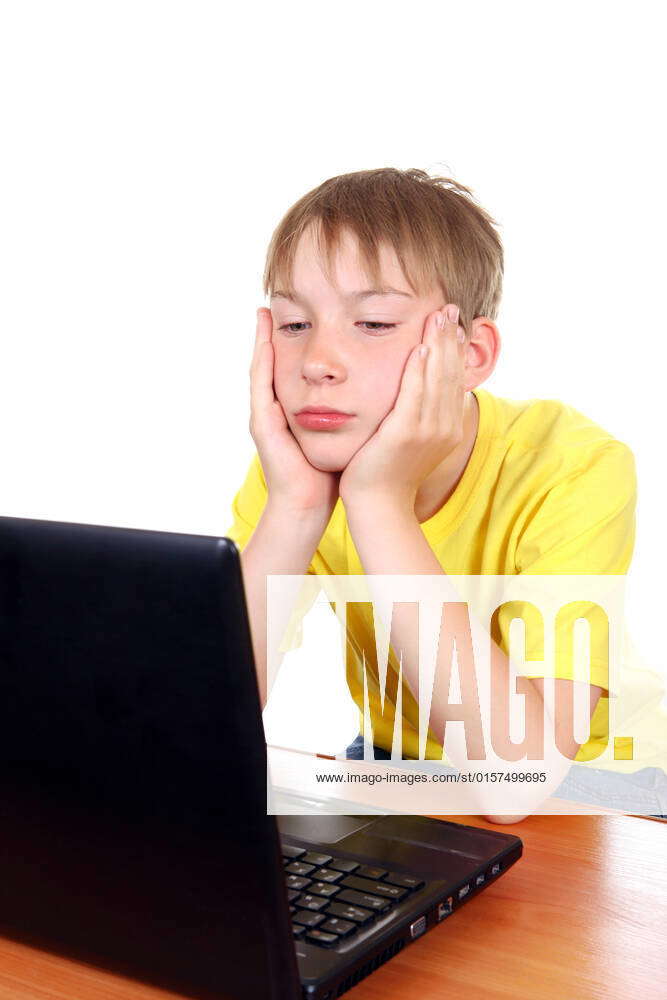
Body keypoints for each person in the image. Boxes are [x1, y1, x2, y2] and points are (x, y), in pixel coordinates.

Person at [225, 167, 667, 822]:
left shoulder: (572, 465)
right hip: (399, 761)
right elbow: (197, 723)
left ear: (469, 353)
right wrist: (294, 508)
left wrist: (378, 502)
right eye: (293, 325)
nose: (317, 360)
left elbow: (515, 783)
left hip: (594, 773)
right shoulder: (297, 470)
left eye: (371, 322)